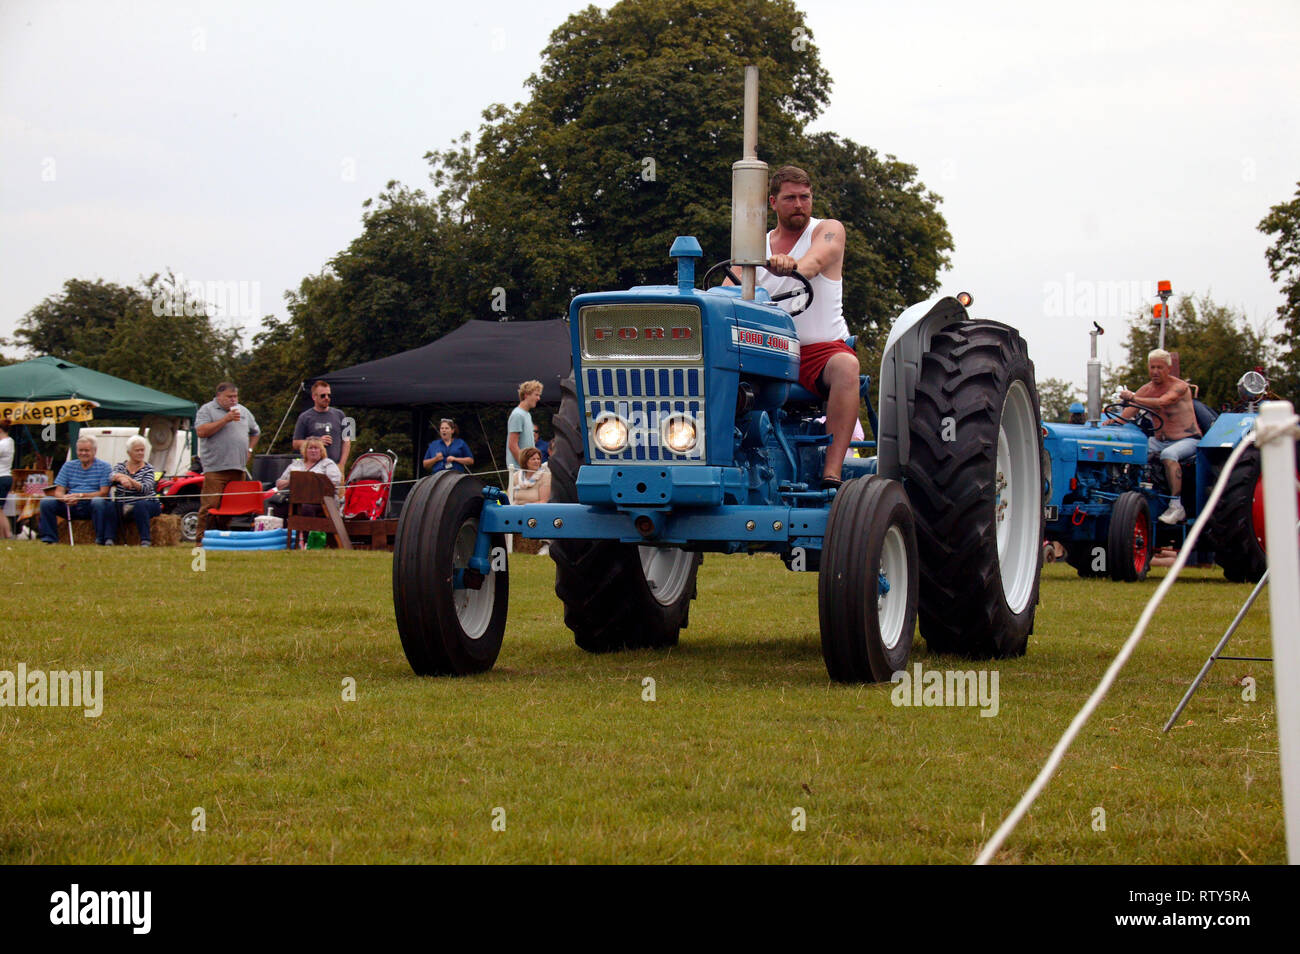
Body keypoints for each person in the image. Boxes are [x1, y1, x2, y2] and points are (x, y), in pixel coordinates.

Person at [753, 165, 855, 488]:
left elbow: (814, 263)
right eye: (790, 198)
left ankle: (832, 471)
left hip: (819, 353)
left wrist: (792, 266)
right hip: (768, 349)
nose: (799, 204)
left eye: (805, 197)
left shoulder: (827, 231)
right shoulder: (755, 244)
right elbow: (732, 286)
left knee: (846, 367)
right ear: (772, 202)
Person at [1107, 348, 1201, 524]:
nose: (1155, 371)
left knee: (1169, 454)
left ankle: (1176, 506)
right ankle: (1128, 494)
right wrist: (1107, 425)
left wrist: (1133, 397)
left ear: (1168, 368)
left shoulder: (1179, 387)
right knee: (1133, 451)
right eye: (1152, 367)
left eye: (1159, 367)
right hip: (1159, 441)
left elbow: (1162, 402)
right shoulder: (1147, 390)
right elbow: (1126, 414)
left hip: (1187, 440)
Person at [195, 382, 260, 543]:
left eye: (235, 396)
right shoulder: (207, 410)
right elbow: (201, 432)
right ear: (218, 396)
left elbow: (256, 432)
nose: (233, 400)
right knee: (210, 506)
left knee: (231, 508)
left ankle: (222, 539)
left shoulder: (243, 411)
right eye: (229, 397)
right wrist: (225, 420)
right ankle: (201, 541)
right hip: (215, 469)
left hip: (238, 468)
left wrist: (250, 450)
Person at [38, 435, 115, 544]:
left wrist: (80, 496)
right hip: (71, 505)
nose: (83, 453)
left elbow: (104, 492)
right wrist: (64, 498)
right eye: (80, 450)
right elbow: (58, 491)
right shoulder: (68, 466)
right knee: (47, 502)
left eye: (86, 450)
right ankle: (49, 539)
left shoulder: (104, 467)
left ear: (94, 451)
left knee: (98, 502)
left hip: (92, 505)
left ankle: (100, 539)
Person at [266, 437, 342, 520]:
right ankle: (283, 531)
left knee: (306, 508)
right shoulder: (296, 464)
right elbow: (279, 485)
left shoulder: (328, 464)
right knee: (277, 505)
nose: (313, 451)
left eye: (316, 448)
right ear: (305, 451)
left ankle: (307, 532)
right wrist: (291, 481)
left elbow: (334, 483)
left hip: (321, 501)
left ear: (321, 451)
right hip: (296, 499)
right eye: (310, 448)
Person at [111, 434, 162, 546]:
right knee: (111, 505)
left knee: (140, 505)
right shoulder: (121, 466)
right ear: (129, 452)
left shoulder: (148, 469)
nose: (140, 453)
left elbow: (145, 488)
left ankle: (145, 540)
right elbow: (112, 476)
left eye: (142, 450)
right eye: (137, 450)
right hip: (124, 504)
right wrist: (121, 478)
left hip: (148, 503)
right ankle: (109, 539)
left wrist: (129, 480)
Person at [293, 380, 351, 473]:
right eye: (323, 396)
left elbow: (347, 442)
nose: (326, 398)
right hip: (313, 469)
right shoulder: (304, 417)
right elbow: (295, 444)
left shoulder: (340, 415)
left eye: (329, 395)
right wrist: (317, 441)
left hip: (335, 467)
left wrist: (342, 464)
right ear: (314, 397)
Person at [506, 380, 542, 475]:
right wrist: (525, 466)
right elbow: (512, 445)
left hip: (526, 470)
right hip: (519, 471)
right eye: (536, 395)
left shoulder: (527, 415)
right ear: (526, 395)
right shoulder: (517, 415)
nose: (538, 398)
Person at [0, 420, 13, 539]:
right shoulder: (10, 441)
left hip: (1, 477)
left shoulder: (3, 444)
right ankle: (6, 535)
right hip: (6, 477)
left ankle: (4, 535)